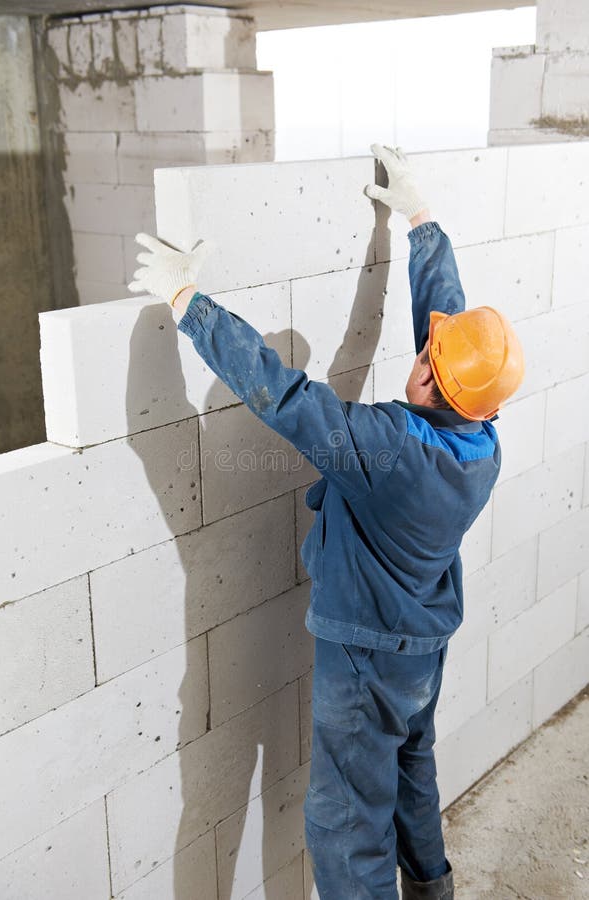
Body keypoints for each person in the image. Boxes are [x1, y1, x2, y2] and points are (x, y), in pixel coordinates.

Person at [129, 144, 525, 899]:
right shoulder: (480, 438)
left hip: (366, 655)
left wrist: (188, 303)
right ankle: (432, 889)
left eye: (429, 358)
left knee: (347, 825)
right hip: (422, 645)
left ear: (430, 381)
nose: (421, 351)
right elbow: (449, 336)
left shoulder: (391, 448)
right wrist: (420, 221)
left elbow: (286, 398)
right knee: (411, 773)